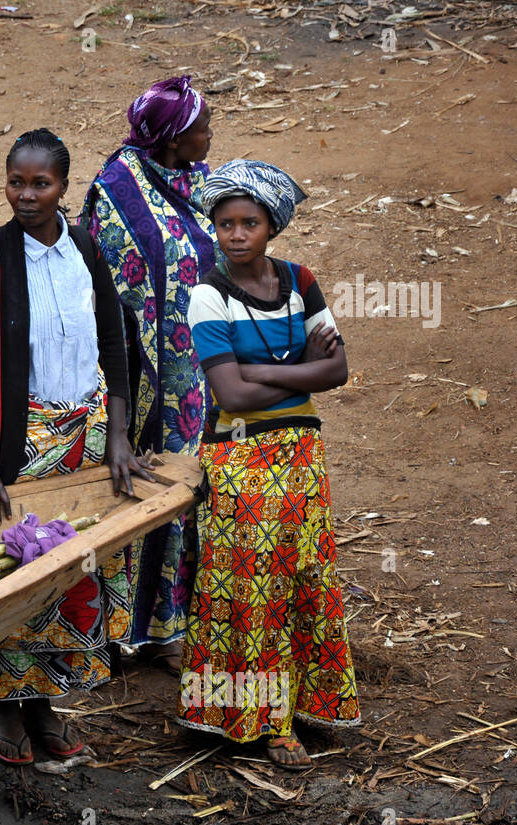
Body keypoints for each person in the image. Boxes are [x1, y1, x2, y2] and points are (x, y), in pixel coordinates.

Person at [0, 129, 152, 765]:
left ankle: (47, 708)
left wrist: (117, 434)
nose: (26, 195)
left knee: (69, 573)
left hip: (85, 438)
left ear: (65, 186)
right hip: (17, 442)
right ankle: (8, 716)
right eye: (16, 182)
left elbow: (114, 345)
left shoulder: (85, 250)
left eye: (41, 184)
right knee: (12, 573)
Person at [179, 159, 360, 769]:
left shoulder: (301, 280)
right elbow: (230, 397)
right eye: (224, 223)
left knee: (303, 577)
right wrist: (297, 368)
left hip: (302, 456)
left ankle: (299, 708)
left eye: (248, 223)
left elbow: (337, 370)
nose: (234, 234)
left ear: (270, 227)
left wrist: (258, 369)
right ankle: (254, 721)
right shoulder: (206, 294)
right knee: (248, 585)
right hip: (237, 455)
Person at [79, 75, 216, 669]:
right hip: (141, 372)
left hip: (202, 369)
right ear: (171, 139)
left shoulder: (203, 183)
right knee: (140, 481)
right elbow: (105, 287)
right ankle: (121, 627)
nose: (211, 135)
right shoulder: (117, 190)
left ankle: (171, 621)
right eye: (202, 127)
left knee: (191, 484)